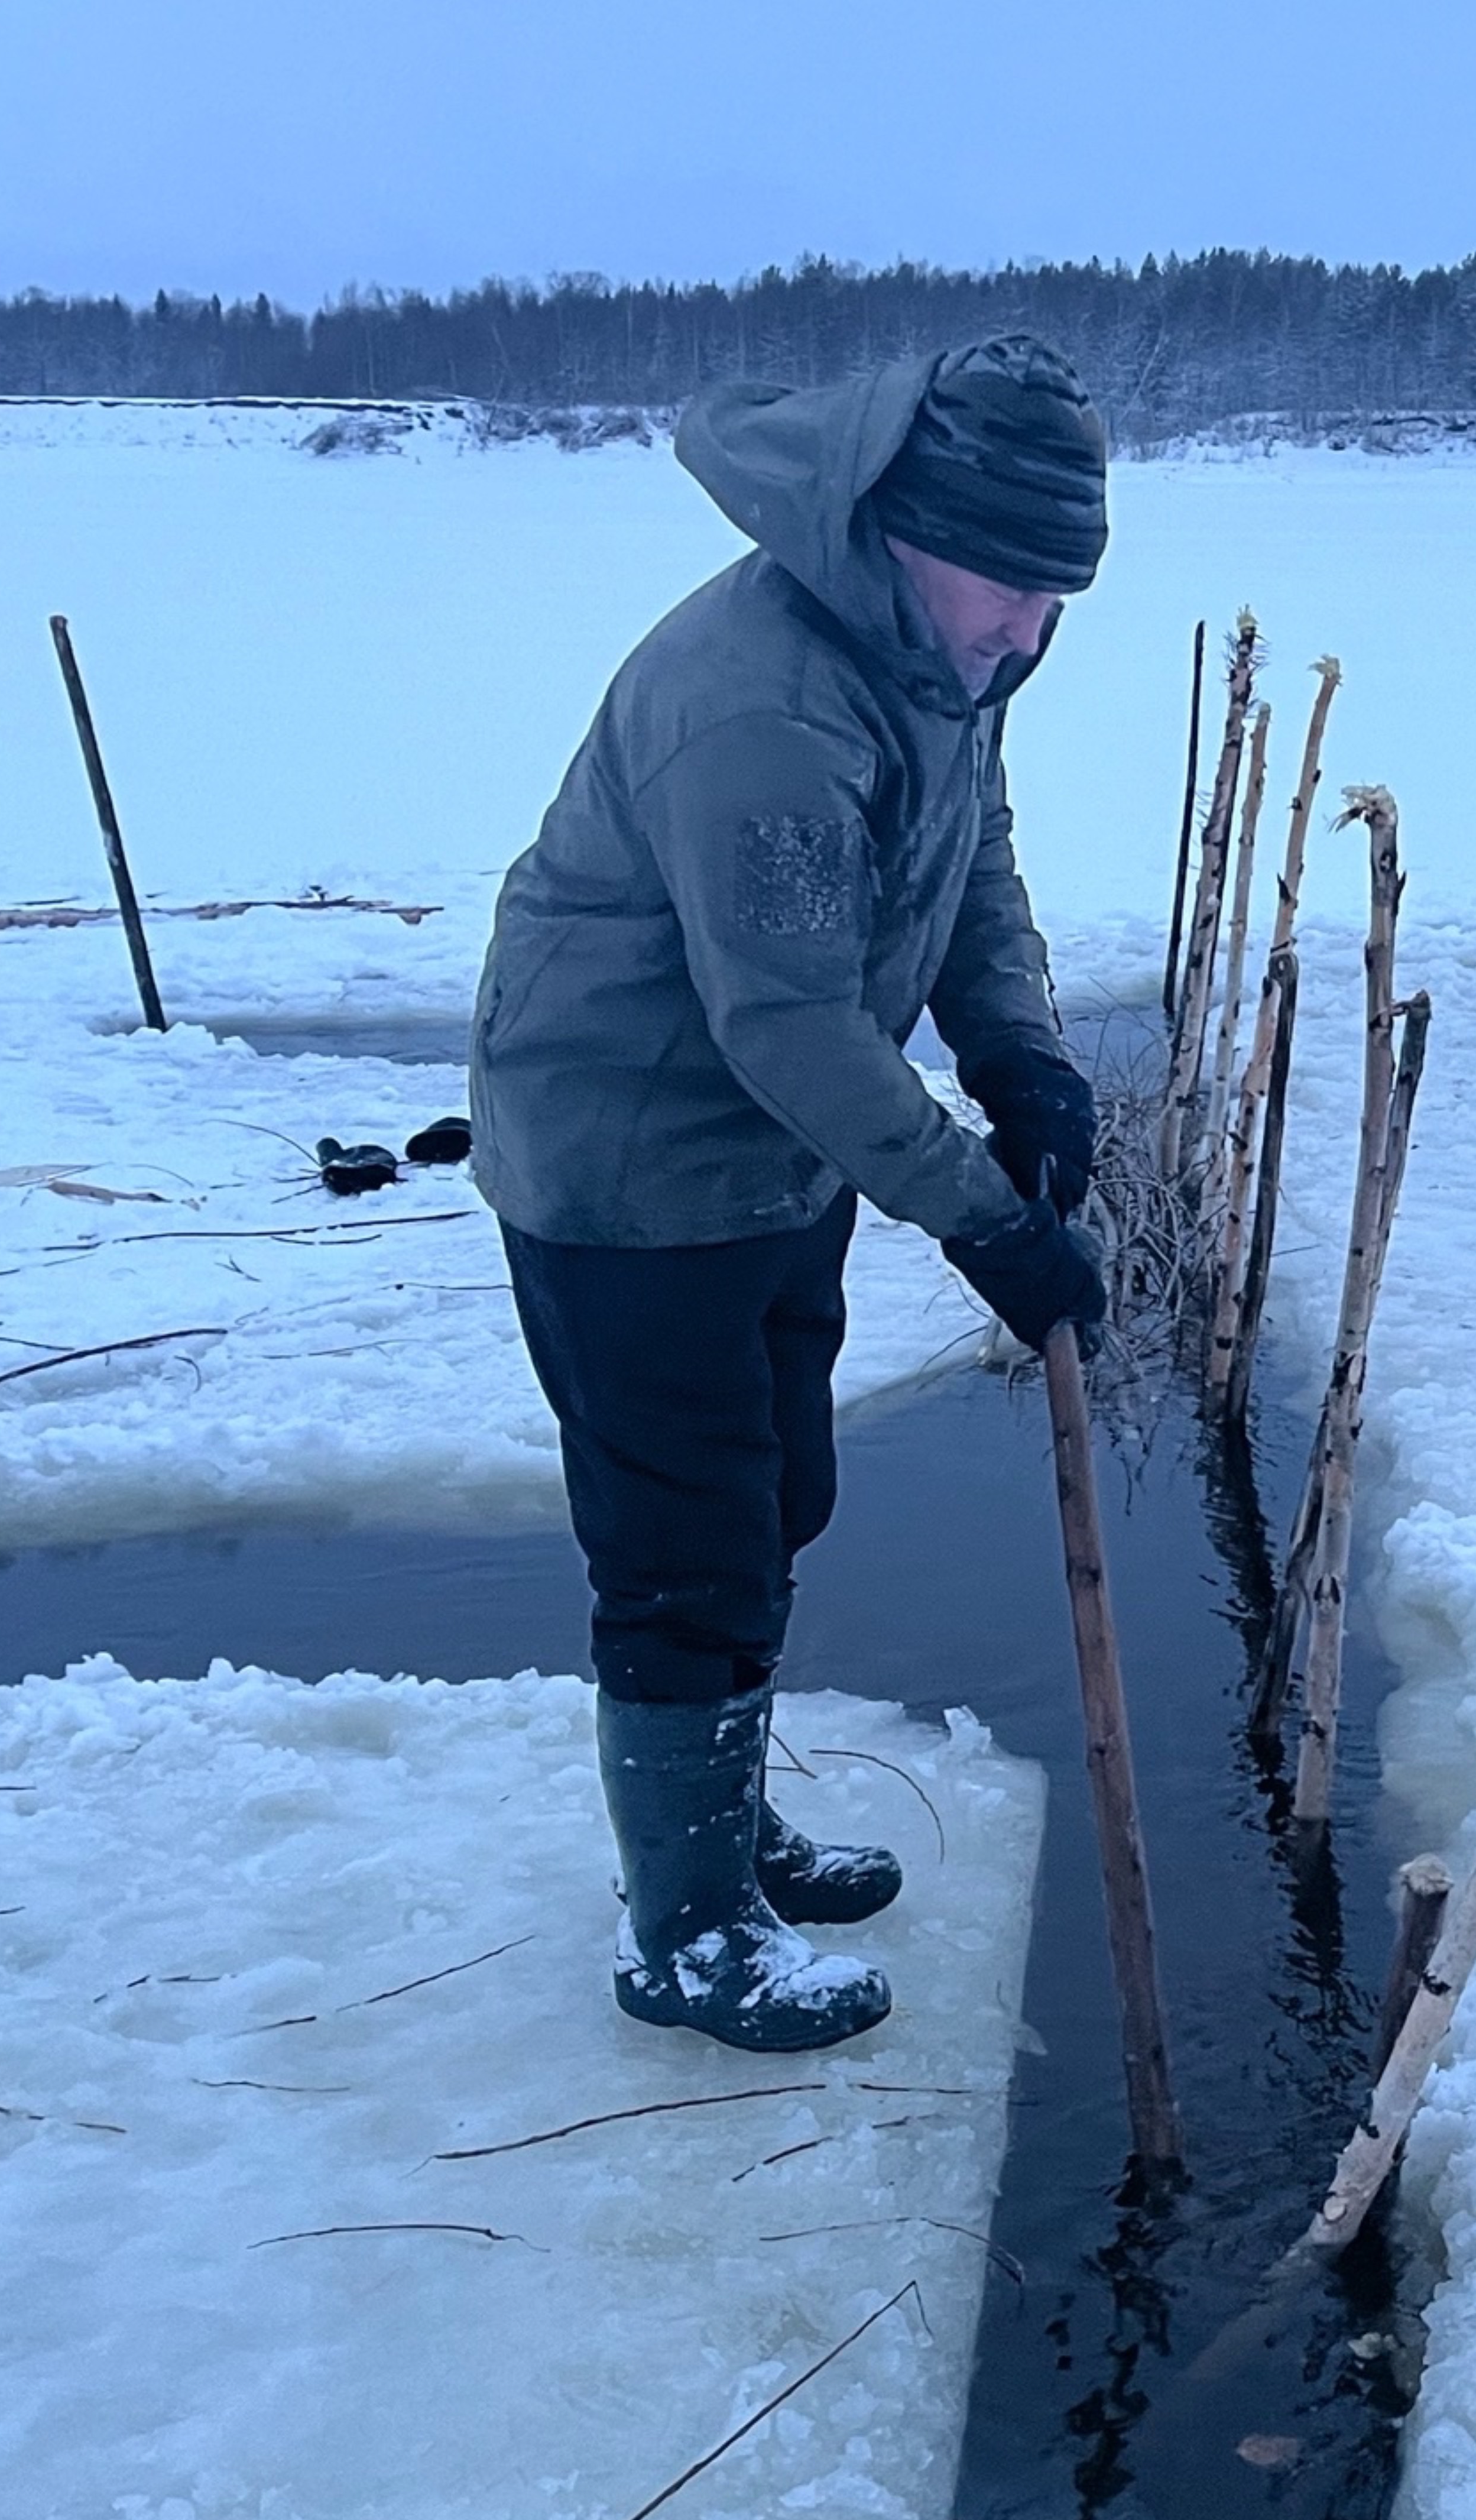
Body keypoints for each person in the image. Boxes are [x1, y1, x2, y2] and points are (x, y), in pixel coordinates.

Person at [469, 332, 1120, 2056]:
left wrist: (1021, 1055)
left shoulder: (938, 654)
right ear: (906, 535)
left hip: (772, 1151)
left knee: (775, 1503)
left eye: (1058, 601)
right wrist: (986, 1219)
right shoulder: (761, 704)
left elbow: (970, 856)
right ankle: (686, 1937)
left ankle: (716, 1830)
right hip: (628, 1158)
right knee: (686, 1550)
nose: (1028, 635)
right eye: (1011, 591)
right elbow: (788, 1022)